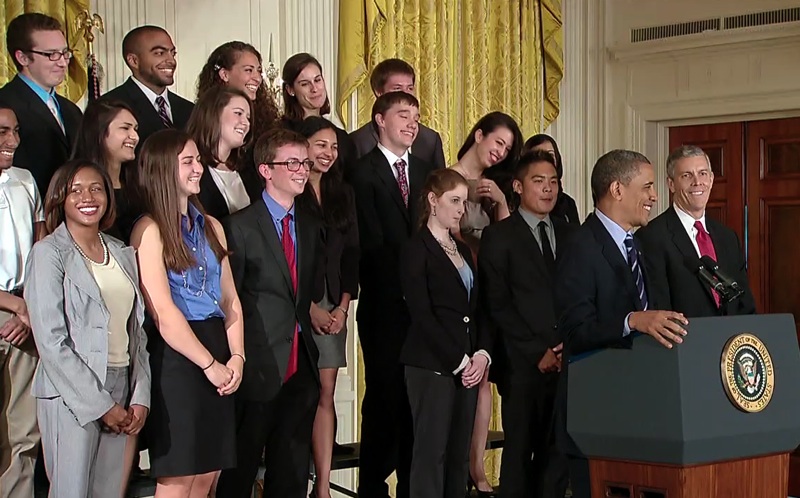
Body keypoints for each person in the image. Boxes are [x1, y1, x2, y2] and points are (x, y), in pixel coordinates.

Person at [554, 149, 689, 498]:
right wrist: (632, 321)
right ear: (617, 189)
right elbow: (575, 331)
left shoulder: (638, 246)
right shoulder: (580, 246)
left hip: (642, 415)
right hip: (596, 416)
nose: (654, 196)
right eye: (646, 187)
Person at [24, 160, 151, 498]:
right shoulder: (48, 254)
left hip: (121, 384)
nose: (87, 196)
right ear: (60, 199)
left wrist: (140, 396)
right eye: (75, 190)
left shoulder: (122, 253)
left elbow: (137, 333)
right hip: (71, 393)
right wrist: (101, 406)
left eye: (96, 188)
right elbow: (51, 341)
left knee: (108, 493)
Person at [130, 130, 244, 496]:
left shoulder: (211, 226)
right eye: (189, 162)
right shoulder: (149, 231)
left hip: (219, 347)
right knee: (180, 476)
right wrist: (209, 365)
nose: (199, 169)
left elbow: (230, 301)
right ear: (164, 170)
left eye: (198, 160)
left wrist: (237, 358)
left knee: (208, 473)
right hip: (179, 357)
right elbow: (163, 312)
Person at [216, 128, 322, 498]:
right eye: (291, 162)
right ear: (265, 170)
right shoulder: (239, 227)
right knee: (240, 469)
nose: (301, 170)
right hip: (256, 367)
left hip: (301, 366)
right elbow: (229, 302)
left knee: (292, 471)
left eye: (304, 163)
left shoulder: (310, 225)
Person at [350, 91, 438, 498]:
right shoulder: (361, 171)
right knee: (384, 395)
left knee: (415, 402)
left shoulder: (424, 172)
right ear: (379, 120)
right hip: (384, 303)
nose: (412, 123)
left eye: (416, 116)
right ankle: (372, 485)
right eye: (403, 115)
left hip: (423, 309)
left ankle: (410, 486)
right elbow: (370, 241)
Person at [479, 151, 575, 498]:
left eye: (553, 182)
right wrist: (538, 352)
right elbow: (498, 304)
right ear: (518, 186)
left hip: (567, 360)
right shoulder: (499, 236)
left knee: (557, 455)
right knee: (519, 453)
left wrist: (566, 345)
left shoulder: (568, 232)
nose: (548, 189)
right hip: (522, 365)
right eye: (539, 181)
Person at [400, 168, 491, 498]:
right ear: (433, 200)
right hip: (431, 365)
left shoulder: (463, 250)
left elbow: (477, 309)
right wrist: (459, 360)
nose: (460, 210)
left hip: (467, 367)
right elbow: (422, 316)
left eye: (464, 203)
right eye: (454, 201)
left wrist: (481, 354)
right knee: (430, 456)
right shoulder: (416, 250)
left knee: (457, 458)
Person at [450, 111, 521, 495]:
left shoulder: (497, 187)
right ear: (478, 135)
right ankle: (455, 468)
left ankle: (477, 469)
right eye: (497, 142)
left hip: (488, 291)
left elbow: (508, 241)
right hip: (457, 288)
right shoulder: (448, 177)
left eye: (507, 149)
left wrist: (500, 204)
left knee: (483, 383)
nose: (500, 151)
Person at [295, 117, 359, 498]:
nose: (328, 154)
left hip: (336, 301)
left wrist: (344, 306)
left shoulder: (343, 193)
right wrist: (308, 309)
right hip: (299, 302)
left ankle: (323, 483)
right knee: (298, 392)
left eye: (333, 147)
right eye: (320, 145)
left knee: (326, 391)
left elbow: (353, 253)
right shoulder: (290, 189)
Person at [636, 145, 756, 317]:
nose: (697, 182)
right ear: (671, 184)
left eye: (703, 173)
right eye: (687, 175)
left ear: (712, 179)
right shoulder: (650, 237)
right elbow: (658, 309)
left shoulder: (728, 237)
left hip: (731, 340)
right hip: (685, 341)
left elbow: (745, 305)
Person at [0, 104, 45, 498]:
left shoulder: (24, 180)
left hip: (24, 310)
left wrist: (29, 304)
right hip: (13, 309)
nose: (11, 141)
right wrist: (17, 307)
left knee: (24, 430)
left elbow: (40, 243)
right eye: (2, 132)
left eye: (14, 131)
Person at [0, 13, 82, 196]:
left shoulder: (71, 110)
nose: (62, 63)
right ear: (23, 58)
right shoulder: (4, 105)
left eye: (64, 53)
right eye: (51, 54)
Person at [101, 26, 194, 147]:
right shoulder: (109, 107)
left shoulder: (190, 110)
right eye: (160, 53)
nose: (171, 60)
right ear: (133, 60)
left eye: (173, 53)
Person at [349, 58, 446, 170]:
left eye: (410, 88)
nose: (405, 94)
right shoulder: (357, 142)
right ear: (379, 92)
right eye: (397, 88)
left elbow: (440, 184)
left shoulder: (430, 139)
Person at [71, 100, 140, 242]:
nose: (135, 137)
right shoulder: (75, 185)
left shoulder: (137, 185)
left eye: (135, 129)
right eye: (125, 128)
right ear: (100, 132)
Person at [189, 86, 262, 219]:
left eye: (248, 118)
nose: (246, 123)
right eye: (238, 113)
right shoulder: (190, 169)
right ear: (214, 114)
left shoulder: (250, 170)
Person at [280, 52, 356, 168]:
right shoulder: (280, 134)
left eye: (317, 80)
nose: (314, 89)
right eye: (305, 84)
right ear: (290, 90)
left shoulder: (341, 137)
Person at [196, 41, 281, 144]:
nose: (258, 78)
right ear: (224, 75)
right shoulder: (204, 120)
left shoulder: (265, 120)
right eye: (249, 70)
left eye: (259, 71)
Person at [523, 134, 581, 226]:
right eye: (539, 154)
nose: (546, 160)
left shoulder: (568, 203)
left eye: (550, 154)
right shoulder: (516, 201)